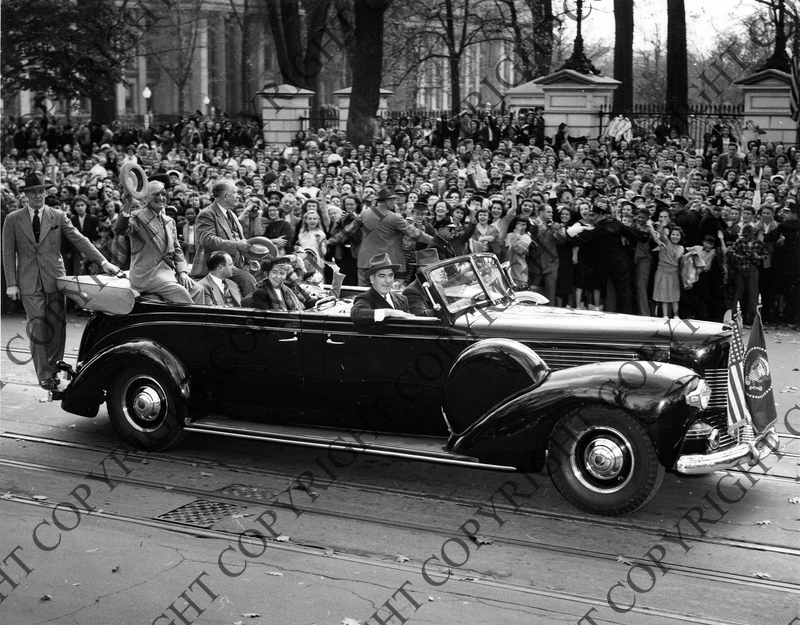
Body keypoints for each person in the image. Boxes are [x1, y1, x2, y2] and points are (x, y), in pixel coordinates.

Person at [2, 172, 121, 390]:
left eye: (41, 191)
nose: (37, 196)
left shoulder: (58, 216)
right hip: (28, 281)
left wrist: (104, 263)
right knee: (38, 327)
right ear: (26, 195)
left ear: (46, 193)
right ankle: (44, 375)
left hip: (55, 279)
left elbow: (79, 240)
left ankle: (54, 368)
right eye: (33, 192)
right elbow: (8, 252)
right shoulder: (13, 219)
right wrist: (11, 283)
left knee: (56, 328)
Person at [115, 180, 201, 304]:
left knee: (198, 290)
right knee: (180, 292)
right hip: (147, 276)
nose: (161, 198)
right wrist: (127, 207)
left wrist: (183, 272)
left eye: (163, 194)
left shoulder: (170, 221)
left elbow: (177, 249)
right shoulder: (136, 216)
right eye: (156, 194)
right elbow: (121, 229)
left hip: (168, 273)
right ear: (146, 198)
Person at [191, 179, 257, 297]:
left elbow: (239, 239)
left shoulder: (231, 214)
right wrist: (237, 245)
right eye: (235, 193)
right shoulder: (207, 213)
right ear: (225, 196)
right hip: (217, 267)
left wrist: (251, 260)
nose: (238, 196)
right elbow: (207, 240)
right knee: (247, 279)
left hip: (236, 265)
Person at [354, 186, 430, 286]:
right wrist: (435, 240)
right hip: (389, 264)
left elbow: (347, 231)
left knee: (364, 293)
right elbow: (415, 233)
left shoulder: (365, 213)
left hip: (365, 262)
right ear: (388, 201)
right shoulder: (395, 218)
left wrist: (333, 240)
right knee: (390, 293)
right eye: (393, 199)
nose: (395, 202)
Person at [351, 253, 414, 326]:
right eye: (382, 276)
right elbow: (357, 314)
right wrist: (389, 312)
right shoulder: (366, 298)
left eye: (390, 276)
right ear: (372, 279)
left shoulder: (402, 299)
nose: (388, 281)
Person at [402, 248, 441, 316]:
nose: (432, 272)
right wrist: (444, 312)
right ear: (418, 270)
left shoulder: (438, 287)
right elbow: (421, 315)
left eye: (434, 268)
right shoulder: (411, 291)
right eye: (426, 269)